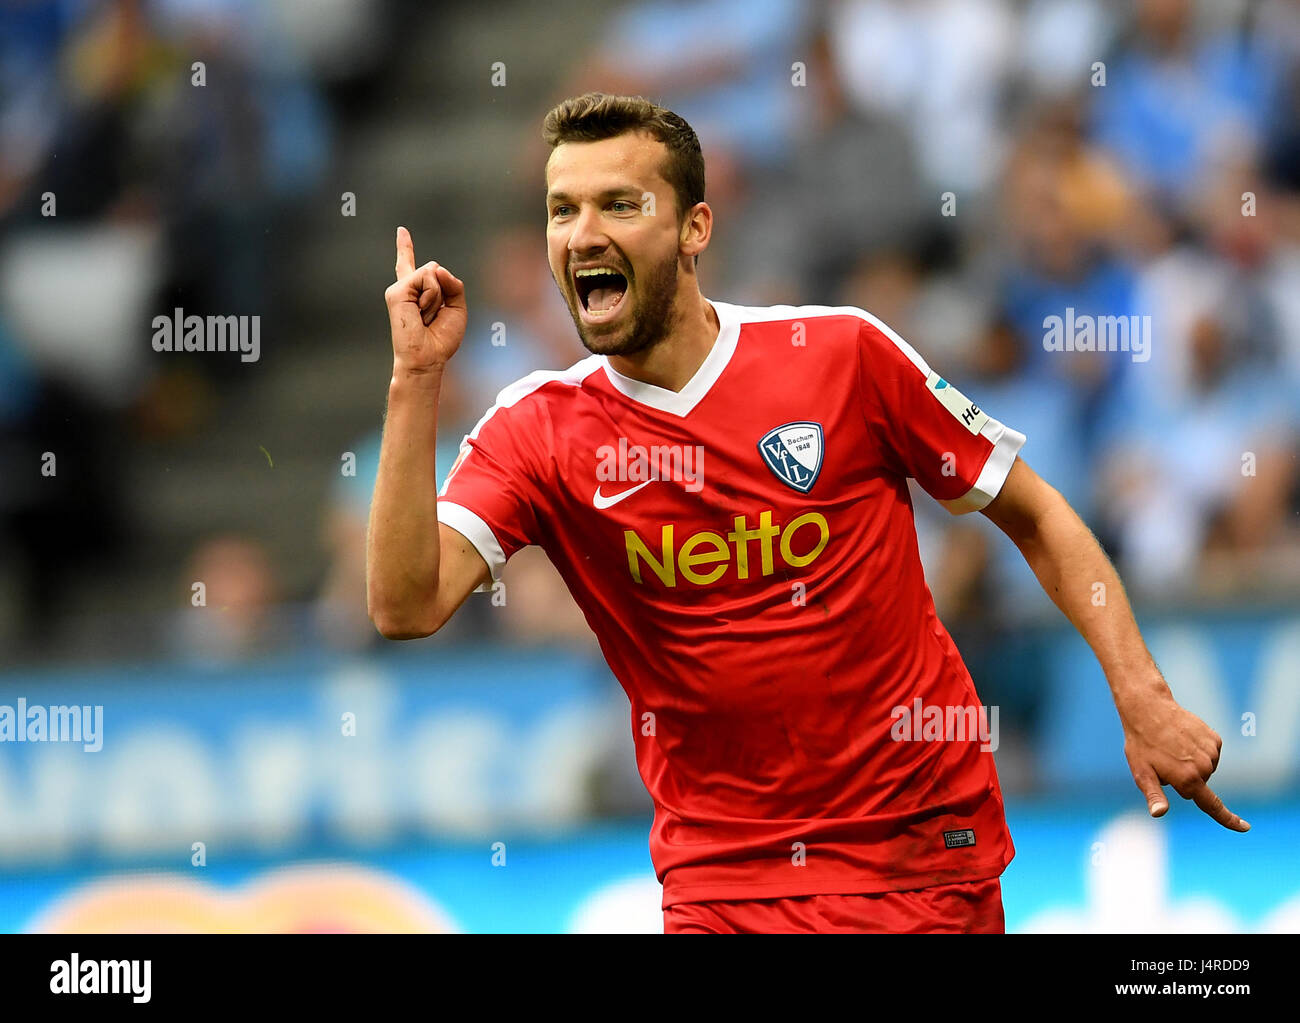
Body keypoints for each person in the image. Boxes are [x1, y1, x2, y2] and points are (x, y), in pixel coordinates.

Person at [366, 93, 1247, 935]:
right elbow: (406, 604)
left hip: (915, 853)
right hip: (724, 874)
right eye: (562, 210)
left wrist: (1142, 695)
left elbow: (1037, 515)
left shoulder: (840, 354)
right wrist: (415, 381)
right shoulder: (537, 431)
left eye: (620, 204)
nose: (584, 233)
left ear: (694, 230)